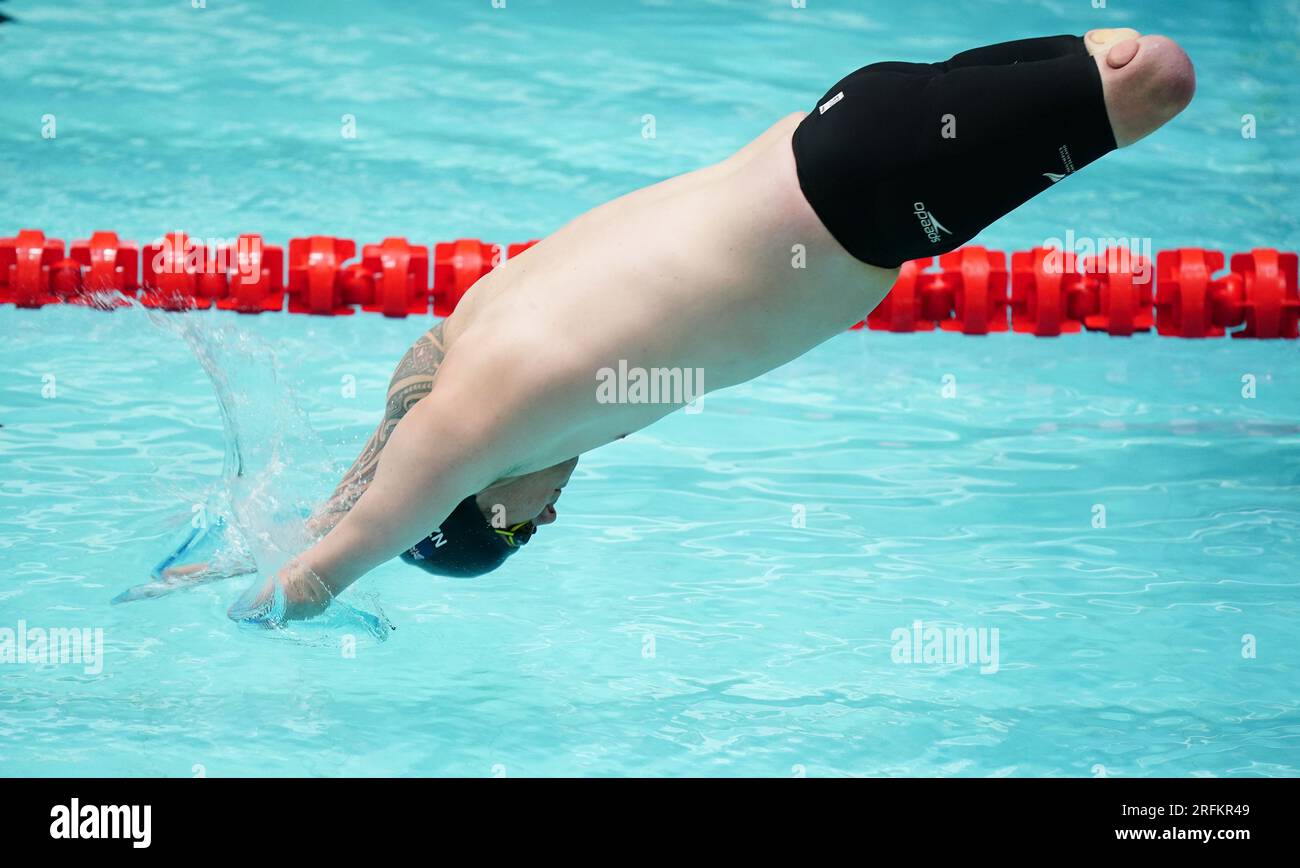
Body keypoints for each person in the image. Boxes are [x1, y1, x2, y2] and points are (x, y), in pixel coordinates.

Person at [230, 27, 1195, 622]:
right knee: (1104, 58)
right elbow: (392, 442)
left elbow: (324, 571)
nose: (550, 518)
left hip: (874, 190)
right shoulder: (477, 341)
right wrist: (310, 514)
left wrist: (249, 620)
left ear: (480, 498)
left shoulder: (489, 418)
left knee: (1156, 78)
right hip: (852, 131)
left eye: (523, 535)